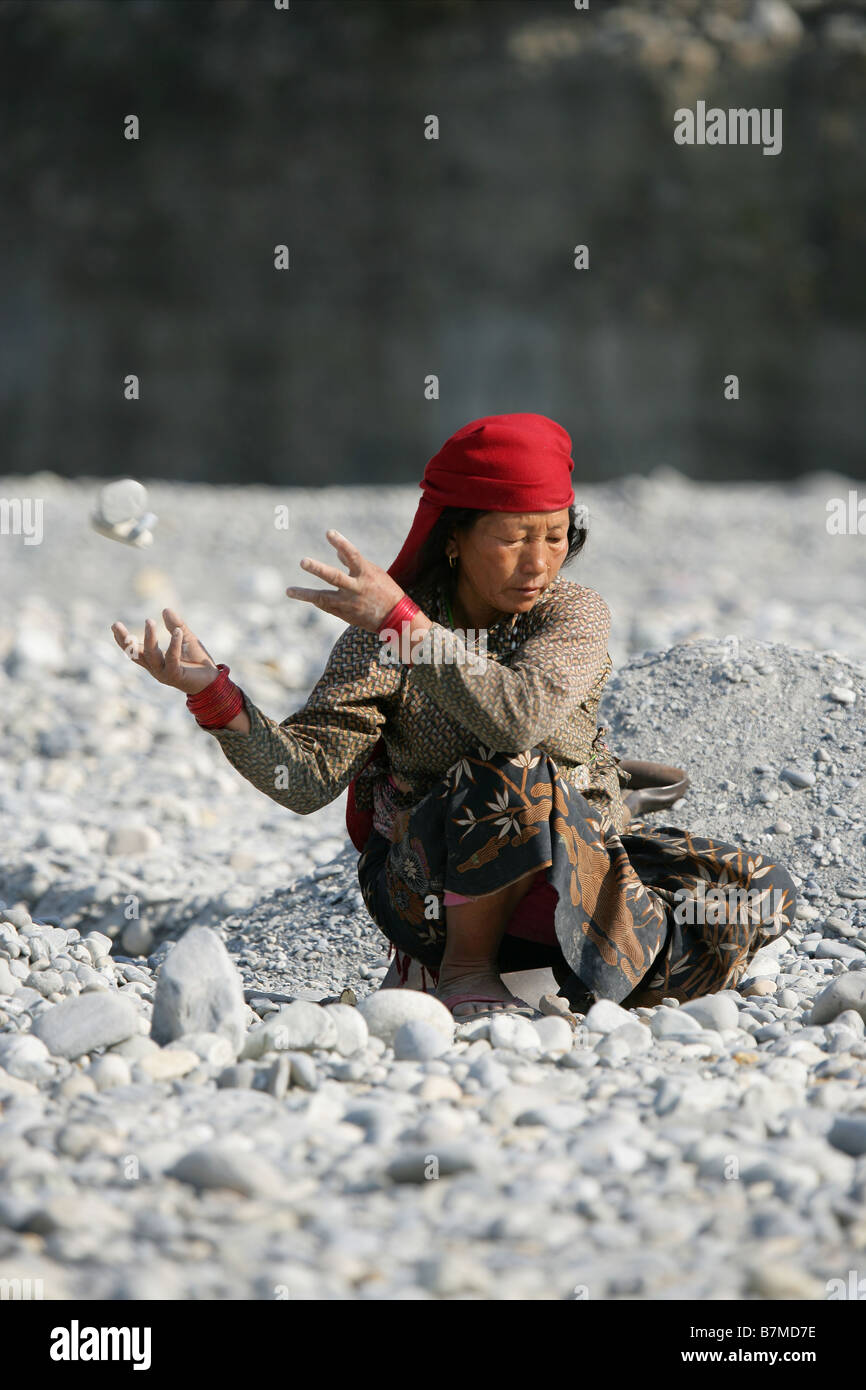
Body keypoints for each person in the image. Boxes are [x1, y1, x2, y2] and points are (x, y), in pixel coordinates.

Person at [111, 413, 797, 1021]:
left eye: (555, 537)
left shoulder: (571, 614)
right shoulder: (386, 634)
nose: (539, 562)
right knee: (511, 776)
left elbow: (519, 710)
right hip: (427, 890)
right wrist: (216, 697)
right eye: (512, 539)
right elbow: (305, 781)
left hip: (577, 867)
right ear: (454, 540)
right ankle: (464, 975)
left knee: (755, 892)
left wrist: (402, 625)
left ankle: (549, 976)